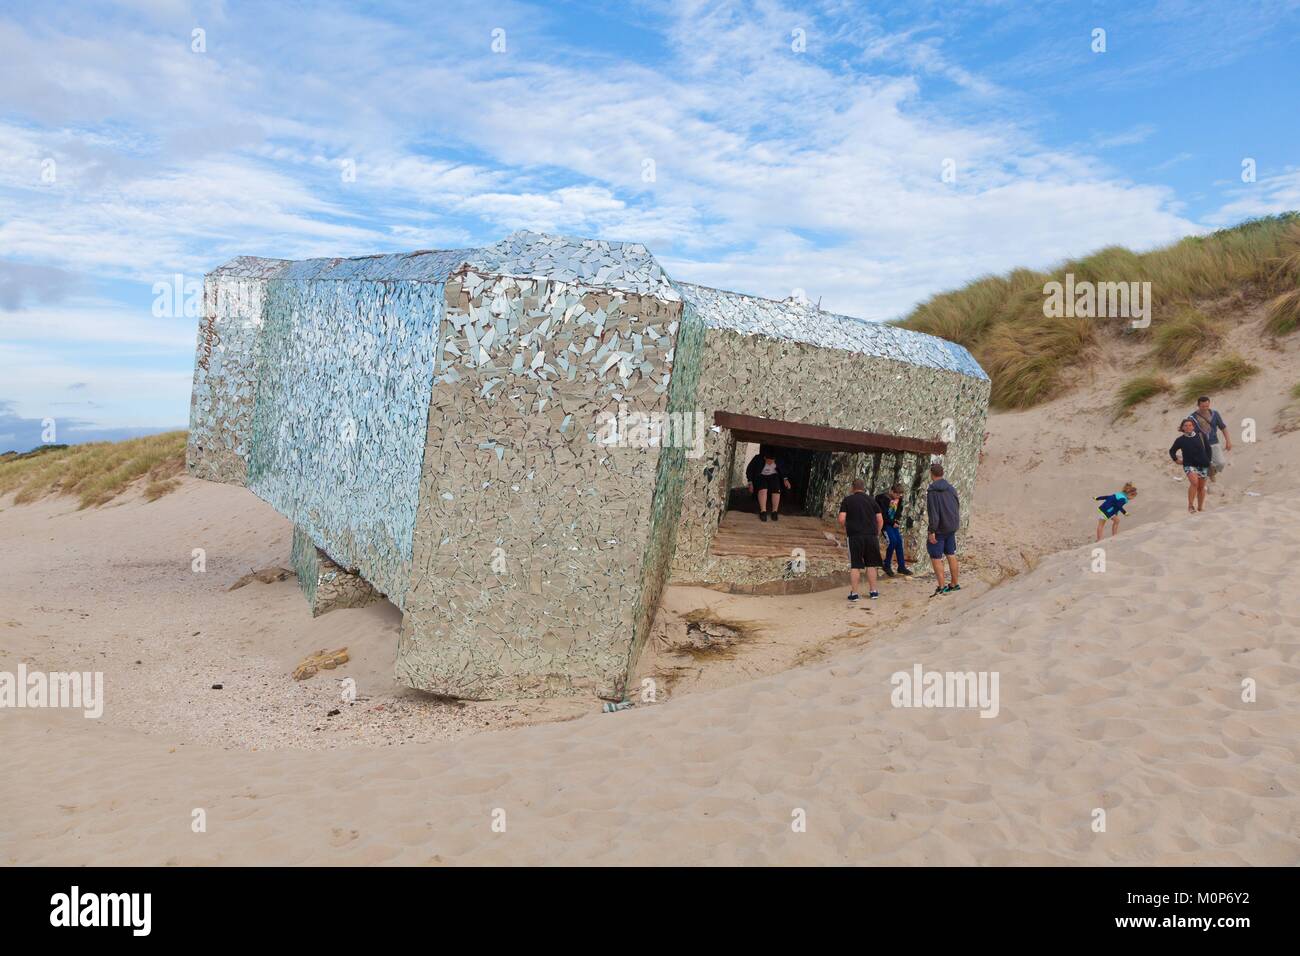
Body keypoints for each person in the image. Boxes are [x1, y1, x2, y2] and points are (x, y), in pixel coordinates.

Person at [838, 479, 883, 601]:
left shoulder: (848, 500)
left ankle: (854, 594)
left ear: (853, 488)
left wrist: (846, 527)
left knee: (855, 565)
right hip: (871, 536)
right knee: (871, 564)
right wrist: (877, 533)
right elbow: (880, 520)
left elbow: (841, 519)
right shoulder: (872, 501)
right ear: (864, 488)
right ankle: (873, 591)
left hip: (855, 536)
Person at [925, 462, 961, 596]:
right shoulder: (951, 488)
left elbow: (933, 513)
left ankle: (941, 586)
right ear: (943, 473)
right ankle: (954, 583)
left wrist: (931, 530)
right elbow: (957, 506)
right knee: (951, 554)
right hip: (951, 526)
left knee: (936, 557)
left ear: (931, 474)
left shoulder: (932, 491)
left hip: (939, 529)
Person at [1170, 418, 1211, 513]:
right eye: (1185, 425)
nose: (1188, 427)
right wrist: (1176, 460)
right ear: (1182, 428)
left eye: (1190, 425)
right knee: (1194, 482)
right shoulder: (1180, 440)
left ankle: (1200, 507)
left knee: (1201, 487)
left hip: (1203, 464)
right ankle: (1190, 506)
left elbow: (1208, 449)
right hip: (1189, 464)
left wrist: (1208, 461)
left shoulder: (1201, 435)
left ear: (1193, 427)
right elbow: (1172, 451)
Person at [1188, 396, 1231, 484]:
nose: (1205, 408)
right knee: (1205, 465)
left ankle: (1211, 472)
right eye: (1202, 406)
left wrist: (1228, 441)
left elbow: (1223, 427)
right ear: (1198, 405)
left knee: (1221, 463)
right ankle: (1209, 477)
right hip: (1200, 445)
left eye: (1207, 406)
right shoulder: (1192, 417)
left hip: (1214, 442)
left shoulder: (1215, 414)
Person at [874, 483, 912, 577]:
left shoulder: (899, 500)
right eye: (896, 494)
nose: (898, 497)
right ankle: (886, 564)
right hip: (885, 524)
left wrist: (897, 521)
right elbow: (882, 515)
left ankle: (901, 566)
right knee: (892, 541)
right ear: (891, 491)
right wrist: (892, 523)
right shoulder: (882, 499)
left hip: (893, 524)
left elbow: (898, 511)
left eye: (900, 495)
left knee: (899, 542)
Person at [745, 447, 791, 522]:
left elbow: (783, 470)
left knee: (776, 490)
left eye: (772, 461)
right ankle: (763, 511)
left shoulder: (779, 460)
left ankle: (774, 512)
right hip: (761, 475)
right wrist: (750, 483)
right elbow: (749, 470)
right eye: (768, 461)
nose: (770, 463)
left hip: (774, 476)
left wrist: (785, 480)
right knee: (763, 489)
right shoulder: (757, 458)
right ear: (764, 458)